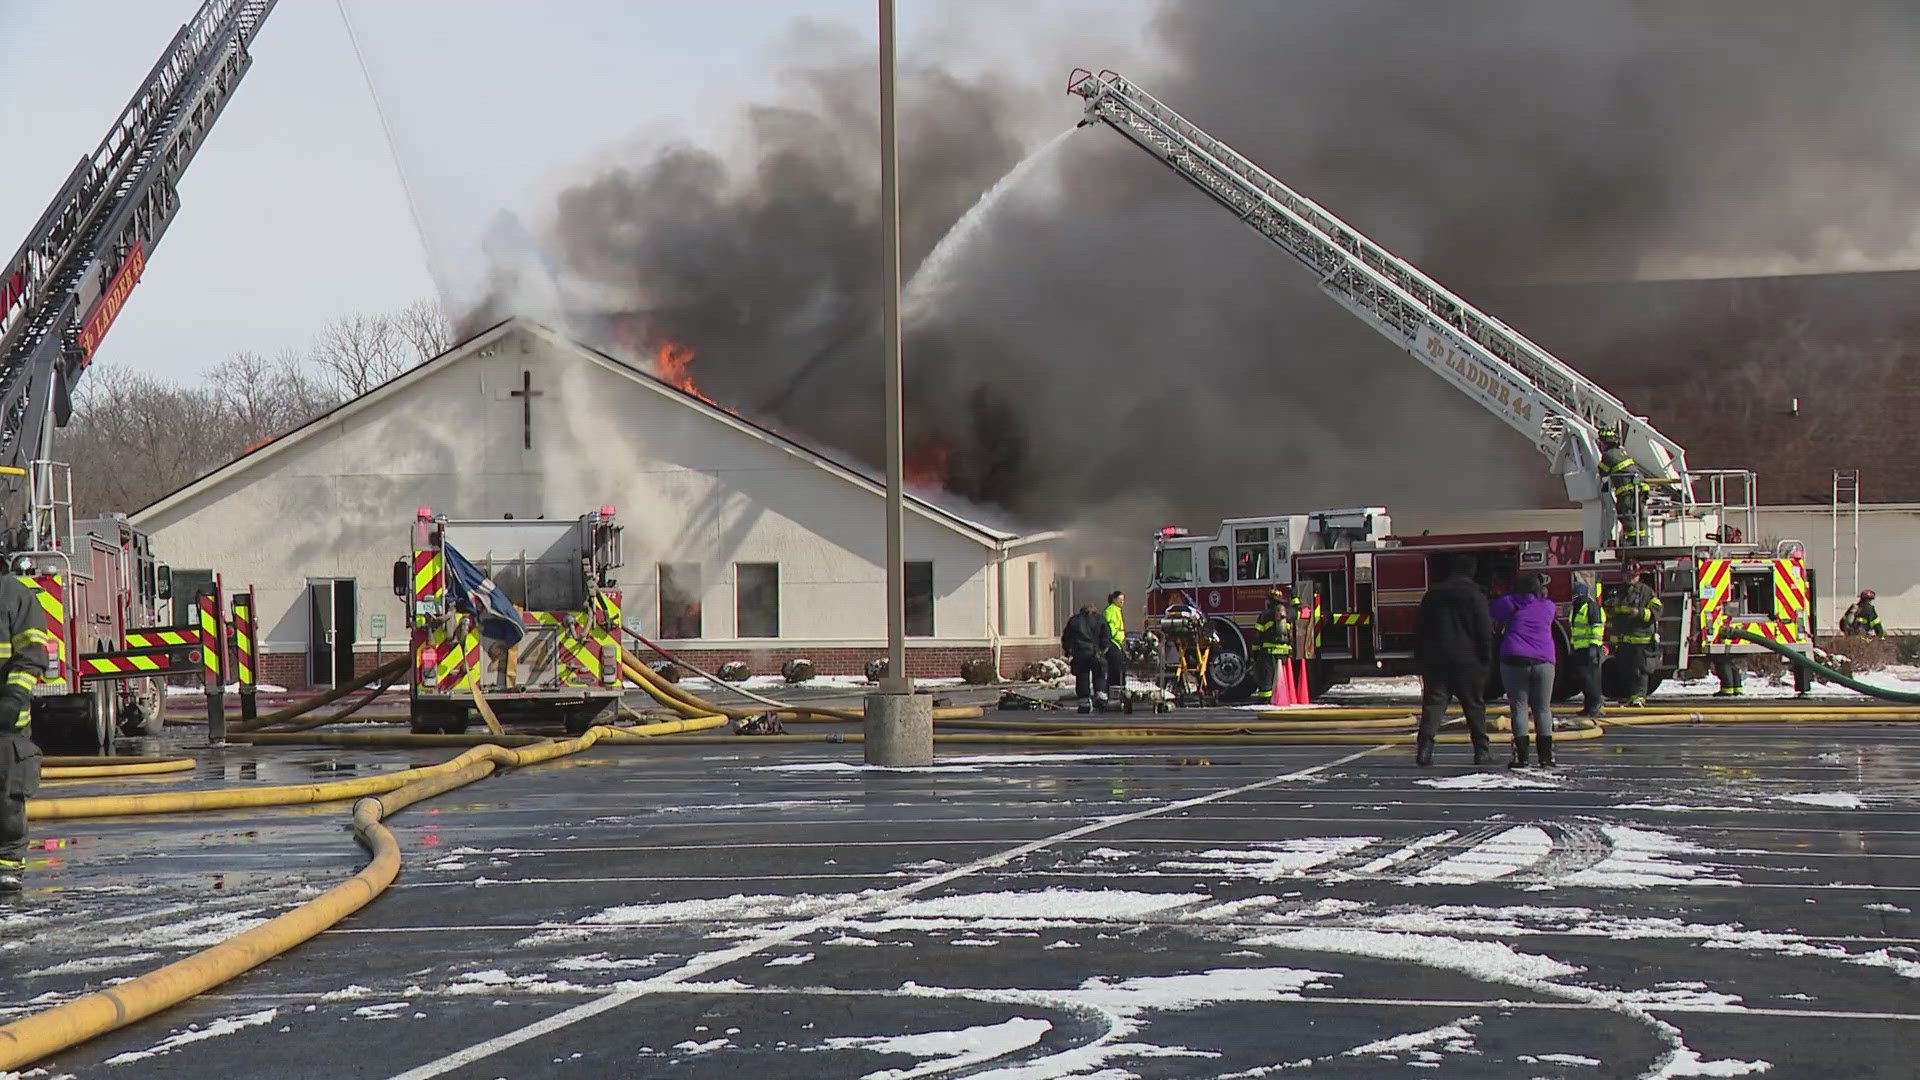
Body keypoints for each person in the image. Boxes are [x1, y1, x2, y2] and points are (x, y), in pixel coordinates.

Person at [1413, 555, 1494, 767]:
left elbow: (1420, 628)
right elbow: (1484, 630)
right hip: (1468, 660)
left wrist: (1420, 657)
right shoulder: (1475, 596)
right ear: (1472, 571)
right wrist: (1486, 658)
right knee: (1474, 706)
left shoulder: (1432, 595)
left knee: (1433, 706)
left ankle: (1424, 749)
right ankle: (1481, 751)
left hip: (1436, 659)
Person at [0, 557, 50, 893]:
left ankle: (6, 865)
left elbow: (32, 653)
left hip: (5, 722)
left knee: (6, 795)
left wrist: (13, 699)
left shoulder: (15, 595)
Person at [1489, 574, 1558, 768]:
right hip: (1544, 660)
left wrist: (1511, 593)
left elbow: (1494, 609)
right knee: (1543, 708)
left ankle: (1522, 757)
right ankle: (1546, 757)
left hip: (1514, 658)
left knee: (1519, 706)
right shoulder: (1547, 606)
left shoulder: (1510, 603)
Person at [1607, 572, 1663, 707]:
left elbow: (1657, 610)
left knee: (1640, 671)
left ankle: (1639, 698)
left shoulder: (1646, 591)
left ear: (1638, 576)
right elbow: (1612, 610)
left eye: (1633, 575)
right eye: (1627, 575)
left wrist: (1640, 613)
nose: (1629, 578)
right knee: (1626, 670)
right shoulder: (1620, 591)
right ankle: (1630, 697)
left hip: (1641, 638)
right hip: (1624, 638)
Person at [1568, 580, 1606, 718]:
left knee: (1592, 679)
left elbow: (1597, 627)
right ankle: (1588, 706)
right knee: (1583, 679)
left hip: (1590, 649)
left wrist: (1594, 646)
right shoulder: (1576, 608)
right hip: (1579, 648)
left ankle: (1595, 704)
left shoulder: (1591, 607)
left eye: (1577, 595)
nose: (1575, 598)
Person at [1061, 603, 1109, 714]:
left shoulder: (1074, 620)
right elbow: (1106, 636)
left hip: (1080, 653)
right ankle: (1100, 697)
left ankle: (1084, 702)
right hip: (1095, 652)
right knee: (1099, 675)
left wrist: (1068, 650)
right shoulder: (1100, 619)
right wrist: (1103, 650)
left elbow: (1066, 637)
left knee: (1082, 676)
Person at [1251, 588, 1294, 697]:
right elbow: (1291, 635)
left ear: (1270, 601)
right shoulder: (1287, 615)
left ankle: (1265, 700)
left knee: (1266, 679)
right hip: (1284, 653)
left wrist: (1255, 652)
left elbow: (1257, 635)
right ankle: (1283, 698)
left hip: (1269, 653)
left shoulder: (1265, 615)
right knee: (1282, 678)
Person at [1103, 591, 1128, 700]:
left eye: (1123, 600)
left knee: (1120, 668)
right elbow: (1111, 628)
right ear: (1114, 600)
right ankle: (1114, 693)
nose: (1122, 602)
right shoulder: (1112, 611)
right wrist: (1116, 637)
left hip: (1117, 644)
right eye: (1120, 600)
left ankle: (1117, 692)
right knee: (1115, 670)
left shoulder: (1117, 610)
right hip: (1113, 644)